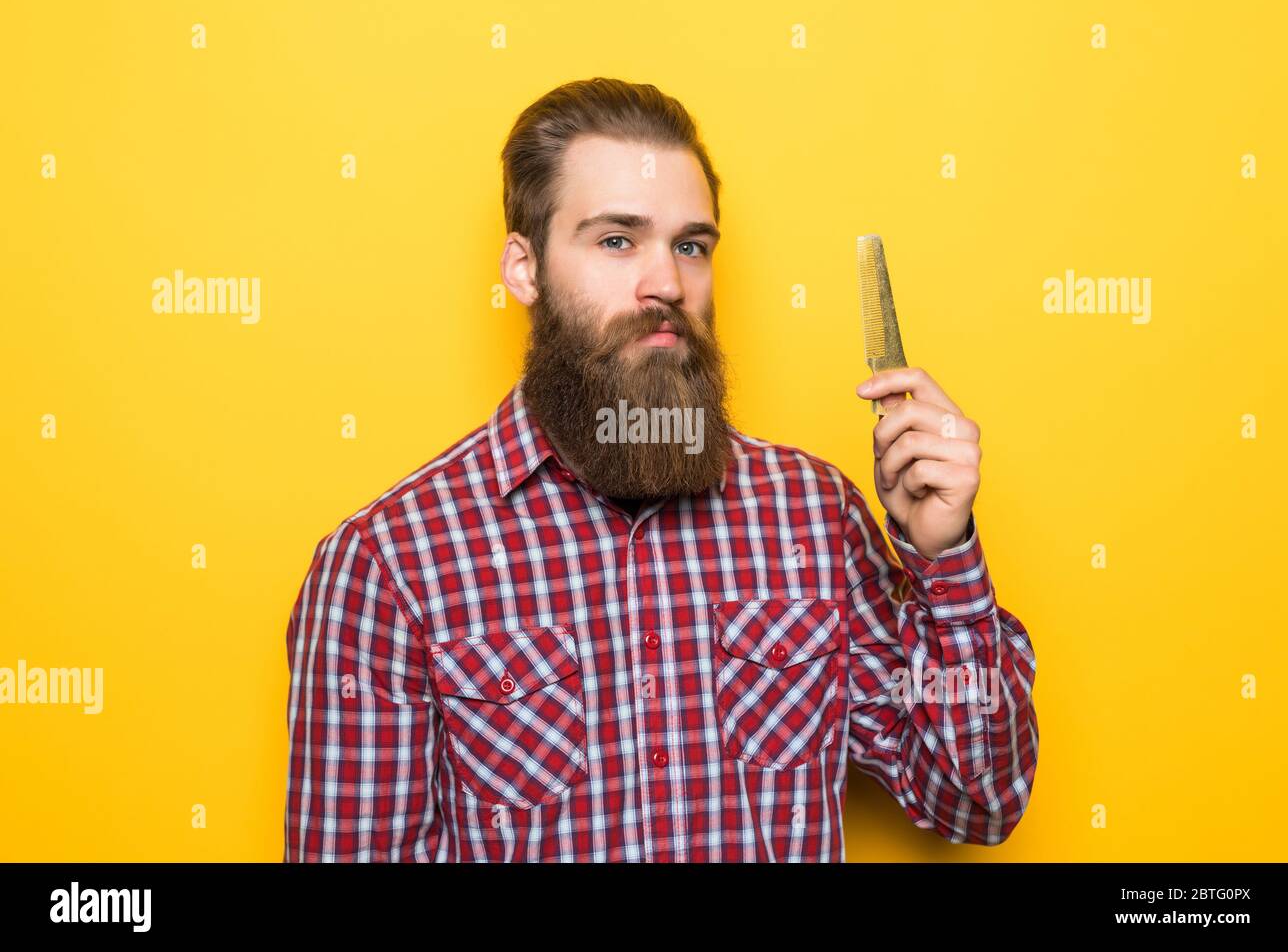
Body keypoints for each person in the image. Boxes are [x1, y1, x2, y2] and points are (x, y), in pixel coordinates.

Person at [283, 76, 1038, 862]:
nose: (668, 283)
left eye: (691, 245)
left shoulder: (811, 518)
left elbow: (977, 799)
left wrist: (944, 562)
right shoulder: (386, 566)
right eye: (617, 240)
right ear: (523, 268)